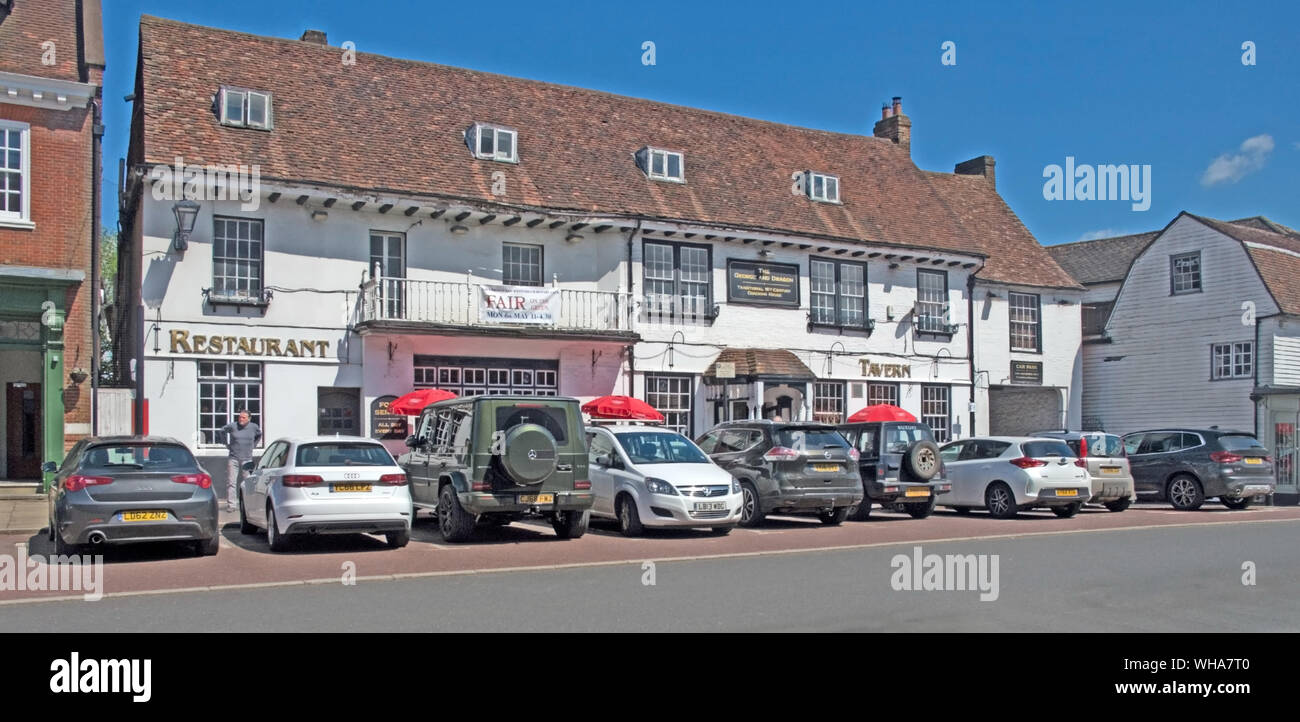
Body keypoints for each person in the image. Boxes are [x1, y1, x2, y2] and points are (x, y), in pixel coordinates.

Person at [220, 408, 262, 512]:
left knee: (249, 483)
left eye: (243, 417)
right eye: (239, 417)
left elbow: (259, 435)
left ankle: (249, 505)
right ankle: (232, 505)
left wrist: (254, 445)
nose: (241, 419)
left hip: (247, 459)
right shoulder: (233, 426)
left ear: (249, 419)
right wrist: (226, 443)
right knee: (231, 482)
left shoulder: (254, 427)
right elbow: (222, 431)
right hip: (233, 458)